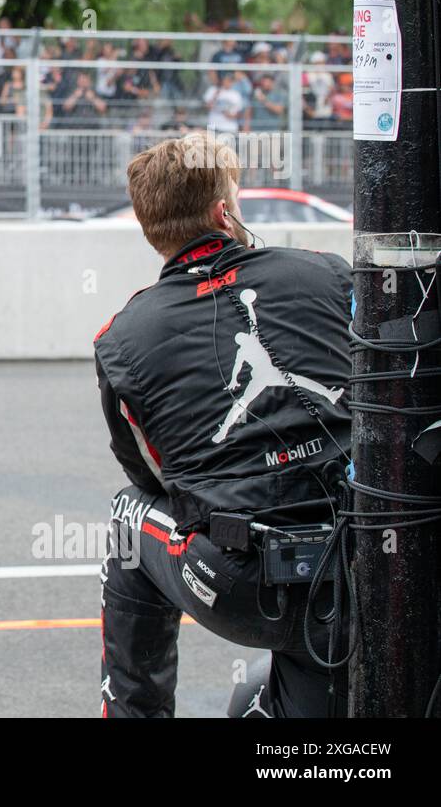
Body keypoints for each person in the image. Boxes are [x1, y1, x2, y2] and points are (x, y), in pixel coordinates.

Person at [95, 132, 351, 718]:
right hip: (361, 561)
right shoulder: (327, 274)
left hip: (242, 582)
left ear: (150, 229)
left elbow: (154, 477)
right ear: (224, 212)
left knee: (127, 512)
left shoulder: (120, 338)